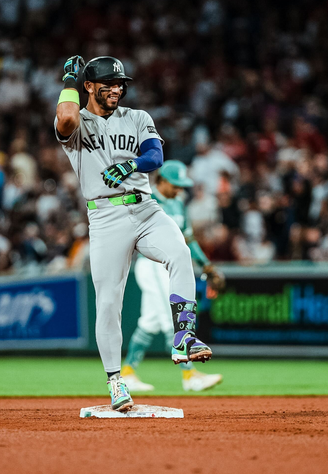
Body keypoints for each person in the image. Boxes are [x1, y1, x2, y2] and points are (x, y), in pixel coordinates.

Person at [54, 55, 213, 412]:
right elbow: (66, 117)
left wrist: (132, 163)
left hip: (145, 207)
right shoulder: (77, 123)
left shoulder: (138, 117)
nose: (118, 88)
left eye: (121, 83)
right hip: (106, 216)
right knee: (108, 303)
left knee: (180, 252)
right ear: (89, 87)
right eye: (109, 83)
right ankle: (115, 381)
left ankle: (184, 336)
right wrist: (68, 79)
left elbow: (156, 156)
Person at [121, 160, 223, 393]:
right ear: (162, 181)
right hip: (153, 264)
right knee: (171, 319)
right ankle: (189, 375)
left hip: (170, 265)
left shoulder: (178, 204)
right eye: (175, 184)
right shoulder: (147, 199)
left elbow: (188, 239)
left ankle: (127, 373)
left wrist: (206, 265)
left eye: (181, 185)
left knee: (150, 322)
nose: (179, 189)